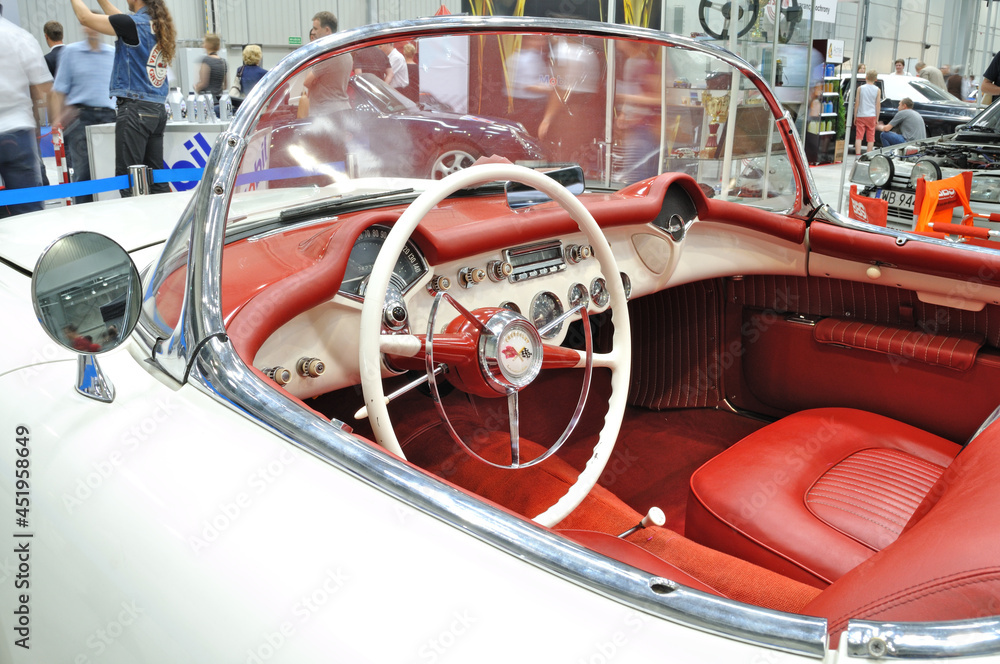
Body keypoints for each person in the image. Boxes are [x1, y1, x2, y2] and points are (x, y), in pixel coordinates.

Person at [70, 0, 176, 197]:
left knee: (128, 179)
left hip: (135, 110)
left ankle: (135, 225)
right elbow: (120, 19)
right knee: (156, 178)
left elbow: (85, 18)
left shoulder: (131, 25)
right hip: (157, 110)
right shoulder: (157, 24)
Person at [50, 26, 115, 204]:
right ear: (83, 29)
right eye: (88, 25)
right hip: (81, 118)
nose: (93, 29)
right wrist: (57, 121)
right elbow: (59, 89)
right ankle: (84, 215)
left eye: (95, 25)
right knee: (83, 173)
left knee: (110, 171)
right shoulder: (71, 52)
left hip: (109, 118)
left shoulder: (112, 53)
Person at [0, 12, 51, 218]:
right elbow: (42, 90)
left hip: (18, 130)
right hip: (17, 133)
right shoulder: (20, 36)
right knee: (28, 213)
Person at [301, 11, 352, 116]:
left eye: (316, 29)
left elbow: (307, 82)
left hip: (326, 112)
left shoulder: (327, 55)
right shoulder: (346, 53)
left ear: (327, 30)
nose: (313, 32)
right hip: (342, 108)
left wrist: (316, 80)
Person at [194, 32, 227, 109]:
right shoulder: (223, 62)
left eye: (204, 43)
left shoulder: (206, 61)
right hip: (220, 102)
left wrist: (196, 87)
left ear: (207, 45)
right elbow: (225, 86)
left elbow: (204, 83)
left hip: (207, 102)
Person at [854, 69, 881, 155]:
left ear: (866, 77)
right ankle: (868, 155)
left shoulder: (860, 88)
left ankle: (858, 155)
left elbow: (857, 103)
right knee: (871, 137)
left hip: (861, 115)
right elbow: (877, 105)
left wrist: (855, 116)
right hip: (872, 115)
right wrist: (877, 118)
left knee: (859, 136)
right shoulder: (877, 90)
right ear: (875, 79)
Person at [232, 44, 266, 110]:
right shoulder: (264, 73)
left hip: (243, 104)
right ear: (259, 56)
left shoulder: (240, 70)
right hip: (257, 105)